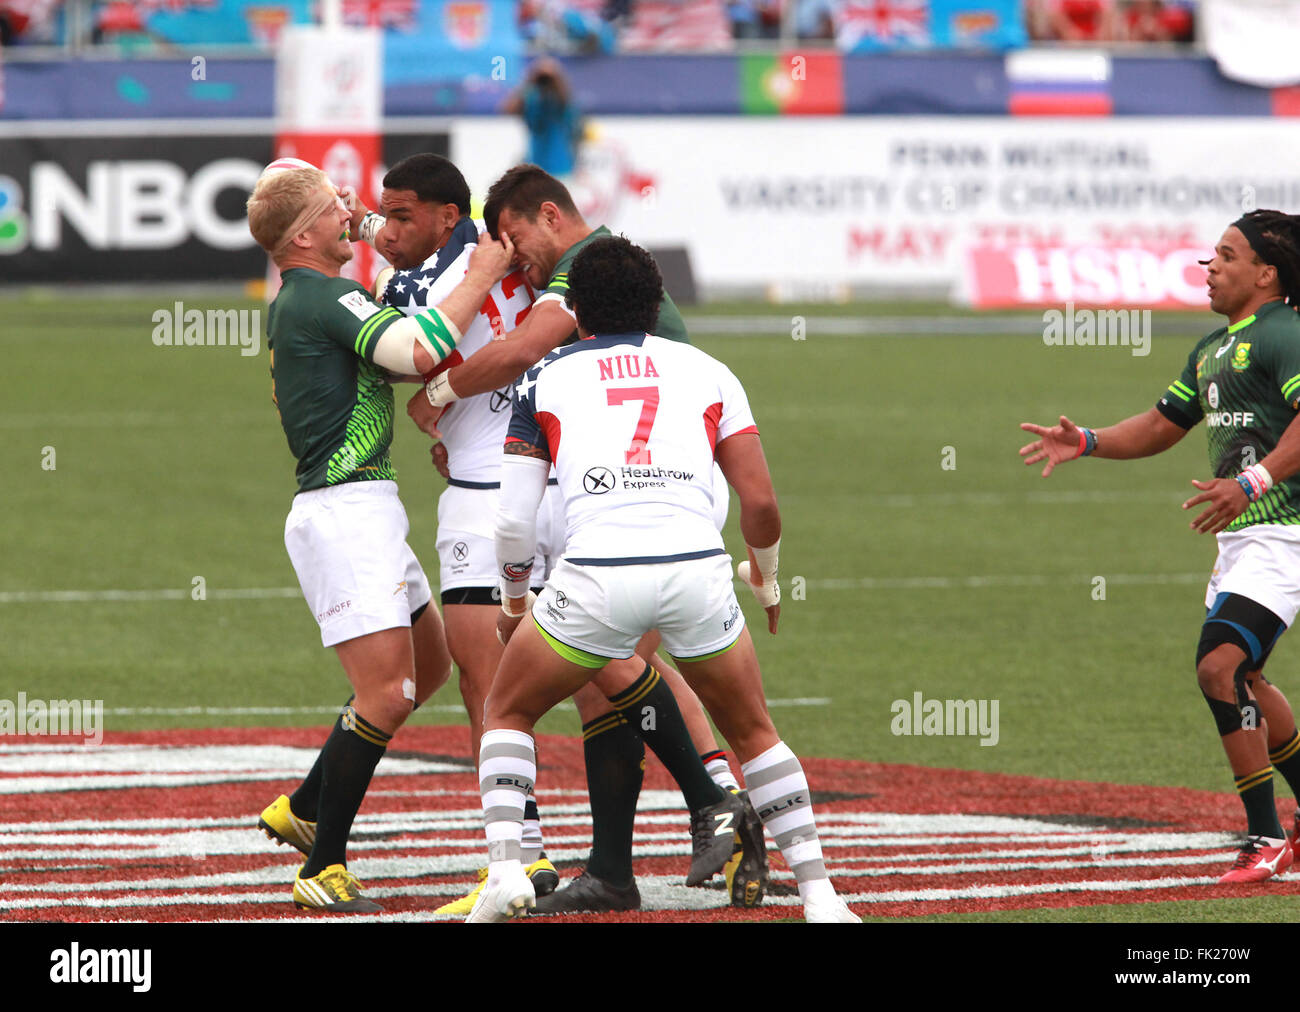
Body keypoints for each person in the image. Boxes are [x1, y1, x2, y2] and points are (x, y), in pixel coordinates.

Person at [345, 154, 764, 914]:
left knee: (592, 672)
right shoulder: (572, 263)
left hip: (637, 496)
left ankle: (703, 806)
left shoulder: (586, 271)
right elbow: (437, 231)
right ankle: (653, 845)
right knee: (618, 673)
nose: (515, 259)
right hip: (638, 487)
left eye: (515, 238)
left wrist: (435, 395)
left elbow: (521, 351)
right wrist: (366, 223)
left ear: (548, 217)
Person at [469, 235, 859, 923]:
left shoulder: (546, 374)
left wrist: (511, 601)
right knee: (756, 734)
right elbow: (761, 504)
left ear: (577, 310)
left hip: (594, 578)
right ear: (655, 306)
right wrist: (765, 582)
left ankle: (506, 872)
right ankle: (821, 894)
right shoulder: (709, 370)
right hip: (696, 574)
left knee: (507, 711)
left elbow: (511, 520)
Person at [246, 161, 513, 911]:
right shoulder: (326, 295)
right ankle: (321, 864)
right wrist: (483, 268)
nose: (355, 213)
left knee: (425, 673)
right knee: (389, 693)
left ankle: (302, 803)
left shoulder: (307, 292)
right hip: (344, 514)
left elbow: (358, 265)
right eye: (339, 208)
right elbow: (417, 352)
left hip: (367, 507)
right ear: (305, 234)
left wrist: (364, 224)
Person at [1020, 210, 1300, 884]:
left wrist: (1253, 479)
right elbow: (1159, 424)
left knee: (1219, 667)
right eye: (1211, 254)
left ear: (1266, 272)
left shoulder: (1285, 333)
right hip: (1244, 540)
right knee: (1249, 679)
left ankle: (1265, 837)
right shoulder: (1211, 348)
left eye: (1226, 255)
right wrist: (1085, 439)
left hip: (1285, 535)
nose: (1211, 266)